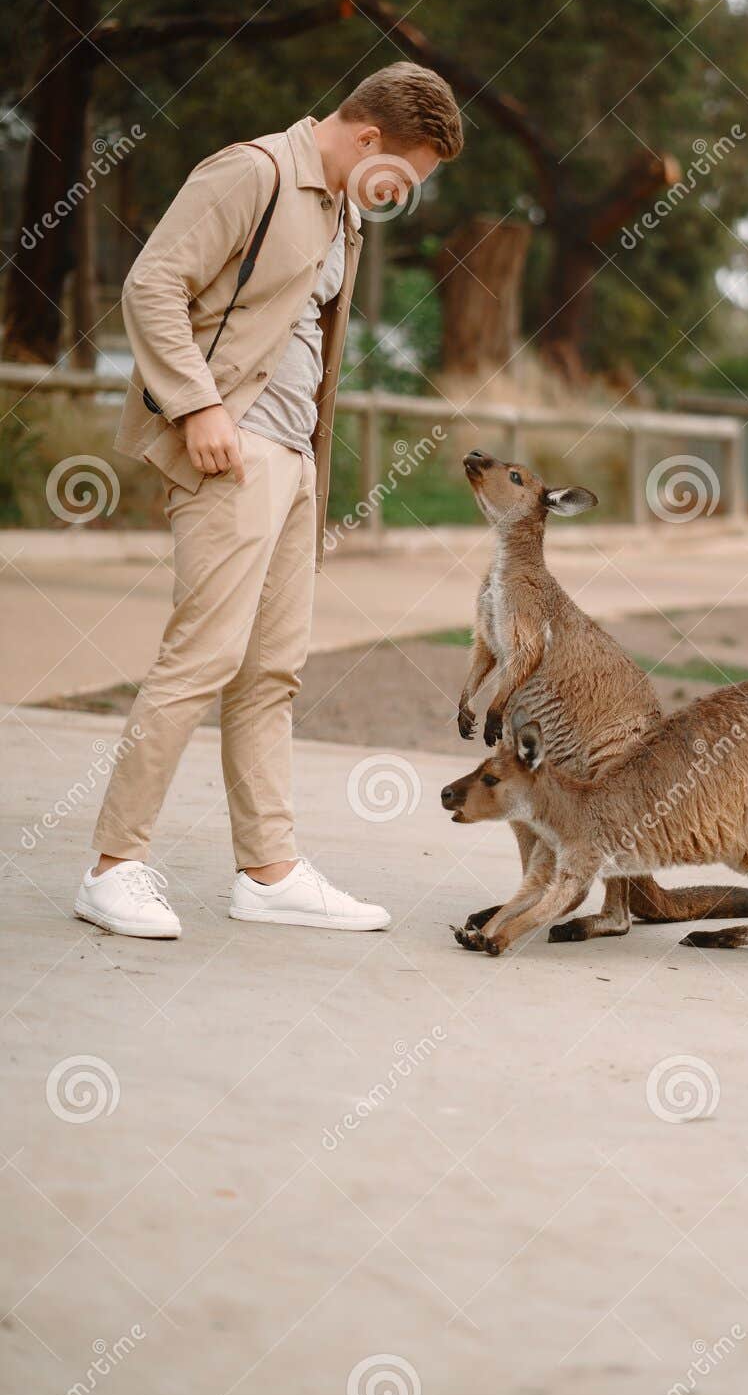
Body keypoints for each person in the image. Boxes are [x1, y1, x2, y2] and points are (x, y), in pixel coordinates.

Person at [74, 62, 464, 940]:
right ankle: (113, 866)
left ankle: (269, 871)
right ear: (368, 139)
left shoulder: (343, 209)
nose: (403, 193)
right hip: (230, 450)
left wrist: (310, 471)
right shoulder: (250, 173)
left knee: (270, 673)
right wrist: (197, 405)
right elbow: (153, 286)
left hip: (294, 463)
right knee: (199, 660)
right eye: (404, 173)